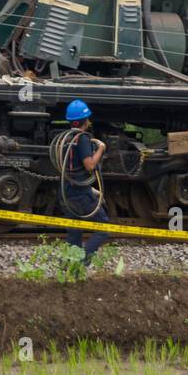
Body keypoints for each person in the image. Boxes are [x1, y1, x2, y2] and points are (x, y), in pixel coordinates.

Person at [60, 99, 110, 259]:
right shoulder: (82, 139)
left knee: (74, 235)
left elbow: (71, 169)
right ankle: (83, 261)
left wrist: (91, 188)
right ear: (86, 120)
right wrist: (101, 149)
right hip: (80, 194)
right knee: (104, 228)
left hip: (67, 192)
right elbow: (89, 166)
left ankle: (70, 271)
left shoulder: (65, 139)